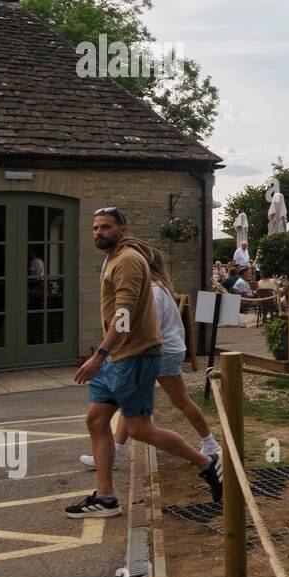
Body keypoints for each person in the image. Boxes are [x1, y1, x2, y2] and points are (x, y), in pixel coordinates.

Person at [68, 207, 221, 518]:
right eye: (96, 228)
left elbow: (123, 314)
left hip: (134, 355)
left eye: (106, 227)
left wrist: (99, 354)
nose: (99, 232)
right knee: (96, 420)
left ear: (122, 228)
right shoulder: (113, 257)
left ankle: (207, 464)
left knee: (139, 428)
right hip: (117, 355)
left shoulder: (127, 261)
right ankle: (106, 498)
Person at [81, 245, 220, 469]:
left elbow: (144, 326)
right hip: (167, 349)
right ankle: (114, 452)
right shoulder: (158, 288)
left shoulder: (152, 292)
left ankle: (210, 446)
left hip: (160, 351)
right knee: (134, 402)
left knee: (178, 400)